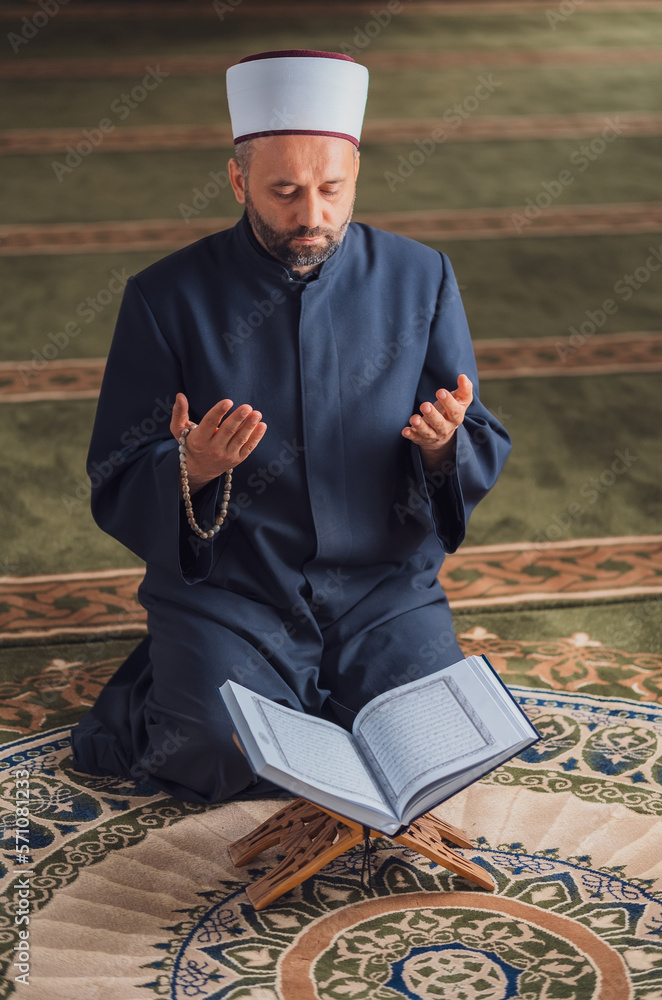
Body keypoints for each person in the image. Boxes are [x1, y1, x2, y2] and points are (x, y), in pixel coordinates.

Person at [71, 49, 511, 804]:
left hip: (382, 590)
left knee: (436, 751)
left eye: (330, 189)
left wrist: (444, 448)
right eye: (285, 191)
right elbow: (117, 465)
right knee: (218, 751)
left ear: (355, 175)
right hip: (234, 593)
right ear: (238, 180)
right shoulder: (164, 297)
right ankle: (166, 685)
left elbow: (473, 428)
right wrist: (192, 468)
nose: (312, 215)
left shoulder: (421, 277)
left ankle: (262, 686)